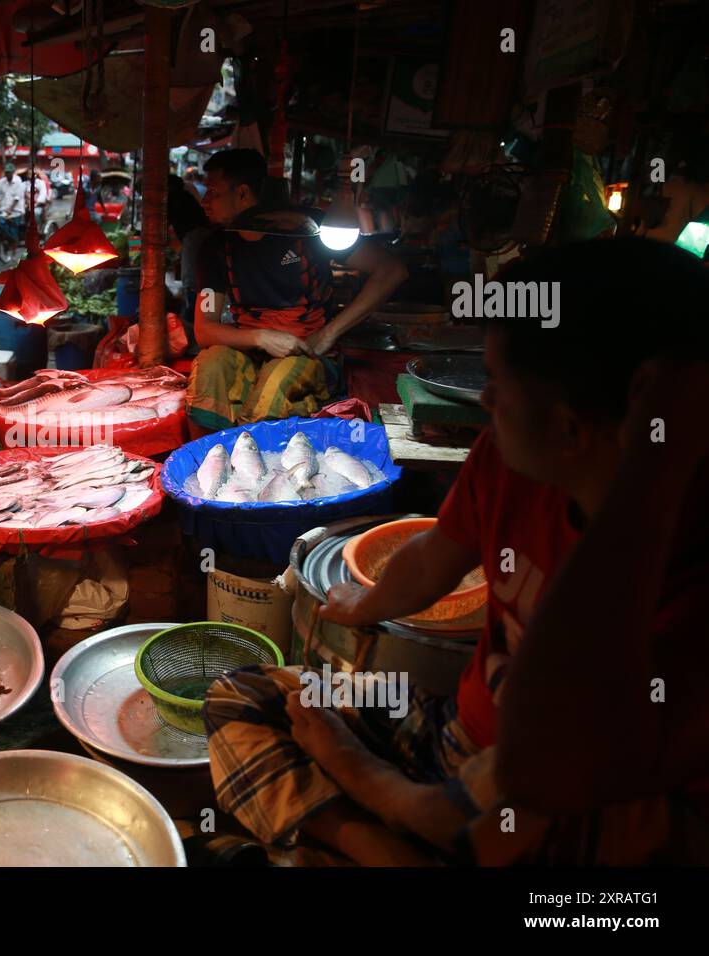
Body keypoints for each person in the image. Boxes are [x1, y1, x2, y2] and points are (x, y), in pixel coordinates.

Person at [204, 238, 709, 866]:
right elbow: (435, 554)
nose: (486, 404)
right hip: (454, 739)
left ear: (574, 424)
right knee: (245, 695)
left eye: (498, 385)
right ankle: (377, 847)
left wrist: (352, 766)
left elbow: (529, 784)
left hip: (564, 827)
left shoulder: (682, 571)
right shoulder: (506, 462)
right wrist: (364, 604)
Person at [187, 148, 406, 434]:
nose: (204, 201)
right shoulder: (216, 246)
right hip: (251, 351)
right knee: (210, 366)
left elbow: (391, 270)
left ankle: (263, 467)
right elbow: (205, 331)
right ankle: (200, 463)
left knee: (279, 380)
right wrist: (261, 337)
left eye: (212, 191)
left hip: (308, 355)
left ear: (242, 193)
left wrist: (328, 334)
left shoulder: (311, 230)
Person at [167, 174, 212, 353]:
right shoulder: (184, 196)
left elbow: (163, 227)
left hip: (195, 238)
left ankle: (193, 337)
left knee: (192, 284)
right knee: (195, 282)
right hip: (197, 237)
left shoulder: (173, 198)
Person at [0, 162, 26, 247]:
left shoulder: (18, 181)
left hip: (16, 210)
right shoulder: (0, 182)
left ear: (13, 172)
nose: (7, 174)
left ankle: (14, 242)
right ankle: (4, 240)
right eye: (6, 172)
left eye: (9, 172)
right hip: (3, 210)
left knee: (12, 228)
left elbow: (17, 198)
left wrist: (10, 209)